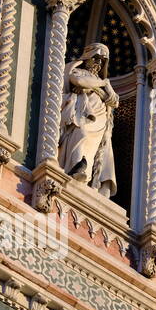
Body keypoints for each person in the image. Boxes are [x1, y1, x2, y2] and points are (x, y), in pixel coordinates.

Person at [59, 43, 119, 197]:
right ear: (87, 57)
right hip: (82, 113)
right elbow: (79, 81)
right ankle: (75, 167)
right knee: (81, 133)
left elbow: (114, 101)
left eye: (102, 61)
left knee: (96, 152)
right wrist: (102, 84)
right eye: (96, 58)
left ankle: (84, 177)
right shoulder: (77, 70)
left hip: (99, 119)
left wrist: (103, 86)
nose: (99, 63)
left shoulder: (102, 82)